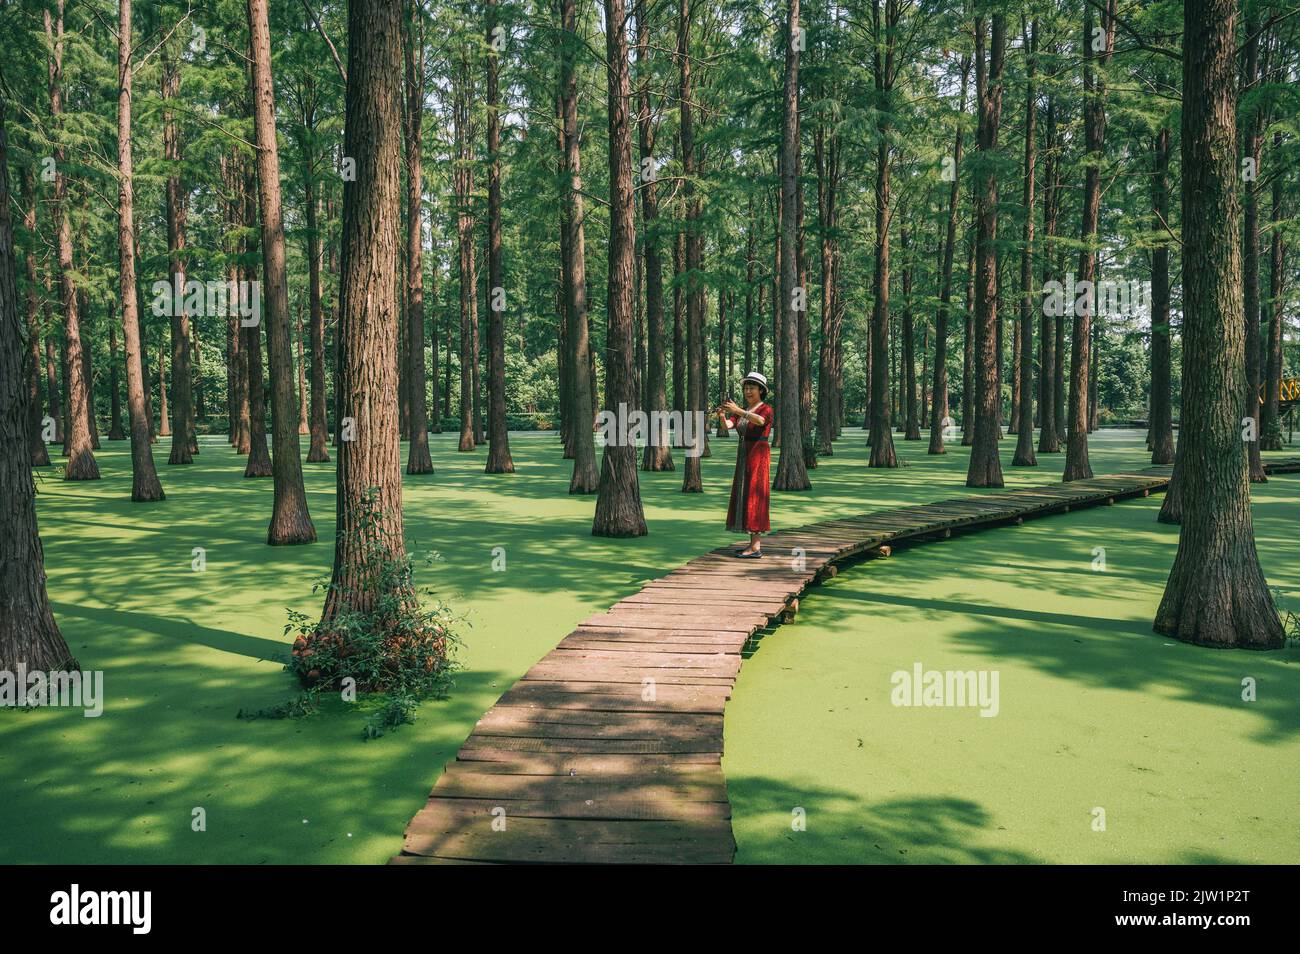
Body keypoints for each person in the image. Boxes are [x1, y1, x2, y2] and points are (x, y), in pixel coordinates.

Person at [716, 372, 774, 558]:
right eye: (746, 388)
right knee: (744, 494)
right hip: (744, 457)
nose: (748, 391)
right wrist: (722, 415)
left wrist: (738, 411)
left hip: (758, 456)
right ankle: (752, 544)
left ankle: (756, 547)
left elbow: (760, 421)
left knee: (754, 496)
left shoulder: (765, 408)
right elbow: (728, 426)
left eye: (752, 388)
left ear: (761, 390)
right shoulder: (743, 411)